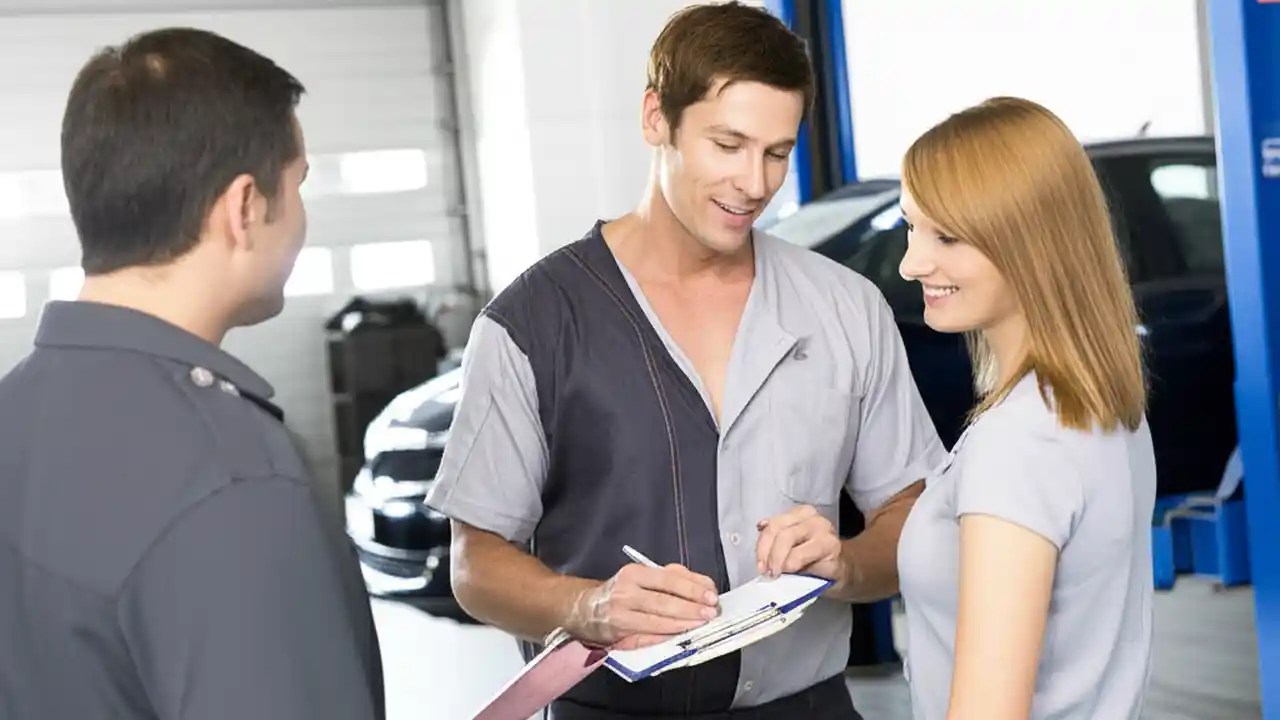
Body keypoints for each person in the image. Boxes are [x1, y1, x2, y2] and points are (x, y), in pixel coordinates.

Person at [426, 3, 944, 718]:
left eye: (776, 152)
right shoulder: (532, 323)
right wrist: (591, 605)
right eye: (727, 144)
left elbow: (910, 513)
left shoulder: (846, 307)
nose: (755, 183)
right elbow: (474, 562)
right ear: (655, 120)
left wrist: (847, 562)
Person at [0, 28, 384, 719]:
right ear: (244, 208)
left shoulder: (16, 414)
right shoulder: (230, 477)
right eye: (298, 185)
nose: (301, 217)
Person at [894, 96, 1156, 719]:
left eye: (947, 236)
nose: (911, 263)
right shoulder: (1100, 404)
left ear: (1030, 240)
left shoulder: (1021, 442)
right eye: (911, 226)